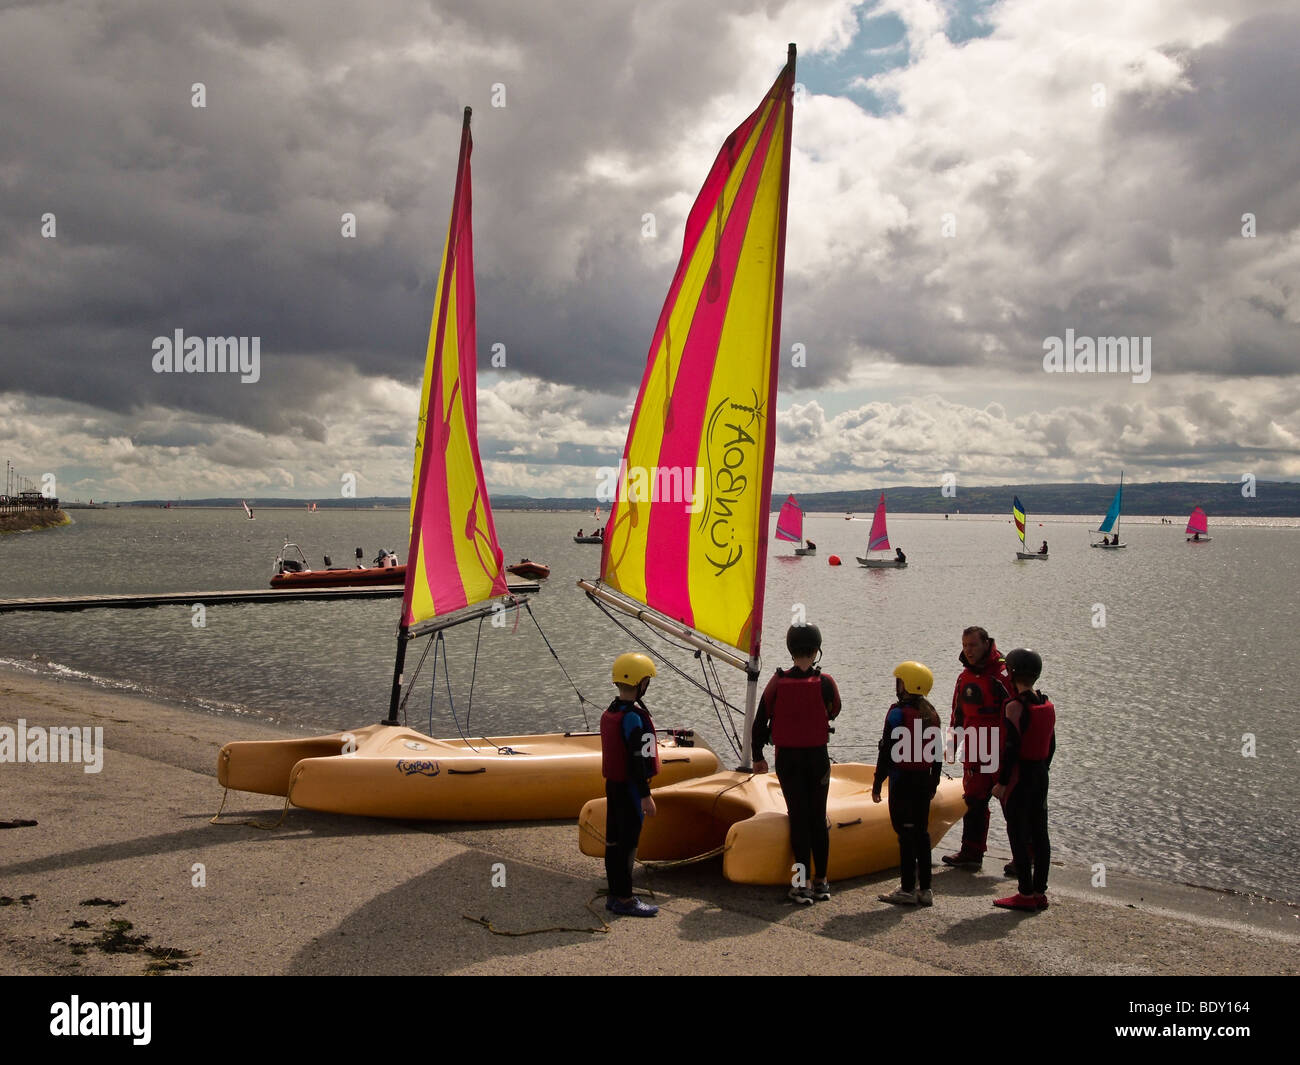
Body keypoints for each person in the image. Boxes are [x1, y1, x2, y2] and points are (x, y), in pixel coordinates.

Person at [752, 623, 841, 903]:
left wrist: (757, 756)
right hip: (817, 759)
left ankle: (800, 885)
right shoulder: (825, 682)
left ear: (790, 650)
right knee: (817, 818)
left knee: (798, 819)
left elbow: (759, 722)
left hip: (788, 760)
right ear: (817, 650)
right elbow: (835, 710)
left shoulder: (777, 681)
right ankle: (822, 882)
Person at [873, 662, 942, 906]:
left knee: (905, 835)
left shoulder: (896, 713)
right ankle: (926, 889)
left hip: (902, 783)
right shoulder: (932, 714)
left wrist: (877, 781)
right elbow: (937, 755)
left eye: (900, 681)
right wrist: (934, 782)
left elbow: (886, 752)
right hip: (924, 782)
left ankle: (906, 889)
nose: (897, 685)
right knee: (921, 834)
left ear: (906, 685)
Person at [993, 649, 1056, 911]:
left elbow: (1011, 747)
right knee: (1040, 834)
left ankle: (1025, 893)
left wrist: (1002, 783)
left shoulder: (1014, 706)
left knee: (1018, 833)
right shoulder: (1047, 704)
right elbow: (1052, 745)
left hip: (1021, 776)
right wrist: (1044, 769)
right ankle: (1040, 892)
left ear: (1013, 672)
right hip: (1041, 773)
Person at [942, 626, 1010, 870]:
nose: (968, 651)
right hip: (975, 748)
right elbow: (957, 714)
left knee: (1011, 803)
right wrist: (951, 743)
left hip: (1001, 749)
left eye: (972, 645)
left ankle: (1026, 856)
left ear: (986, 644)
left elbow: (1018, 714)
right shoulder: (964, 677)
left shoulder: (1003, 675)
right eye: (964, 646)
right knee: (973, 800)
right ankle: (971, 852)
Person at [600, 652, 661, 916]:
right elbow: (638, 762)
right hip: (631, 790)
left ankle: (615, 894)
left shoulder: (610, 712)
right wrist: (646, 796)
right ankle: (625, 900)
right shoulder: (634, 719)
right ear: (640, 684)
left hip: (613, 787)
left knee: (613, 842)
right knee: (627, 844)